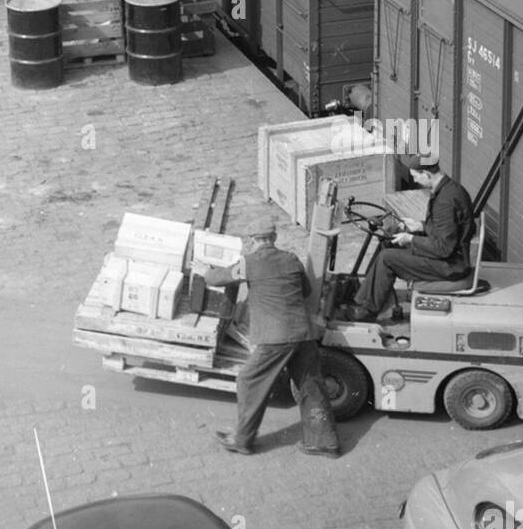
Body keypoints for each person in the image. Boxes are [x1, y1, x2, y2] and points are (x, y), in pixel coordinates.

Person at [194, 217, 339, 458]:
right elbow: (306, 291)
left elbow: (218, 278)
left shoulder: (249, 262)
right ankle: (325, 442)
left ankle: (242, 439)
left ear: (252, 240)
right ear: (274, 238)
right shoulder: (291, 259)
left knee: (248, 380)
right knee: (310, 385)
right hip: (302, 334)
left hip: (276, 338)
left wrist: (204, 271)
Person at [352, 153, 476, 323]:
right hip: (451, 256)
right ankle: (368, 295)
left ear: (427, 174)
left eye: (416, 177)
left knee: (387, 258)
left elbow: (443, 248)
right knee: (388, 241)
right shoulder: (450, 189)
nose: (416, 181)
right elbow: (447, 230)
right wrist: (420, 226)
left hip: (450, 266)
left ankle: (366, 311)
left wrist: (410, 239)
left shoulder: (445, 201)